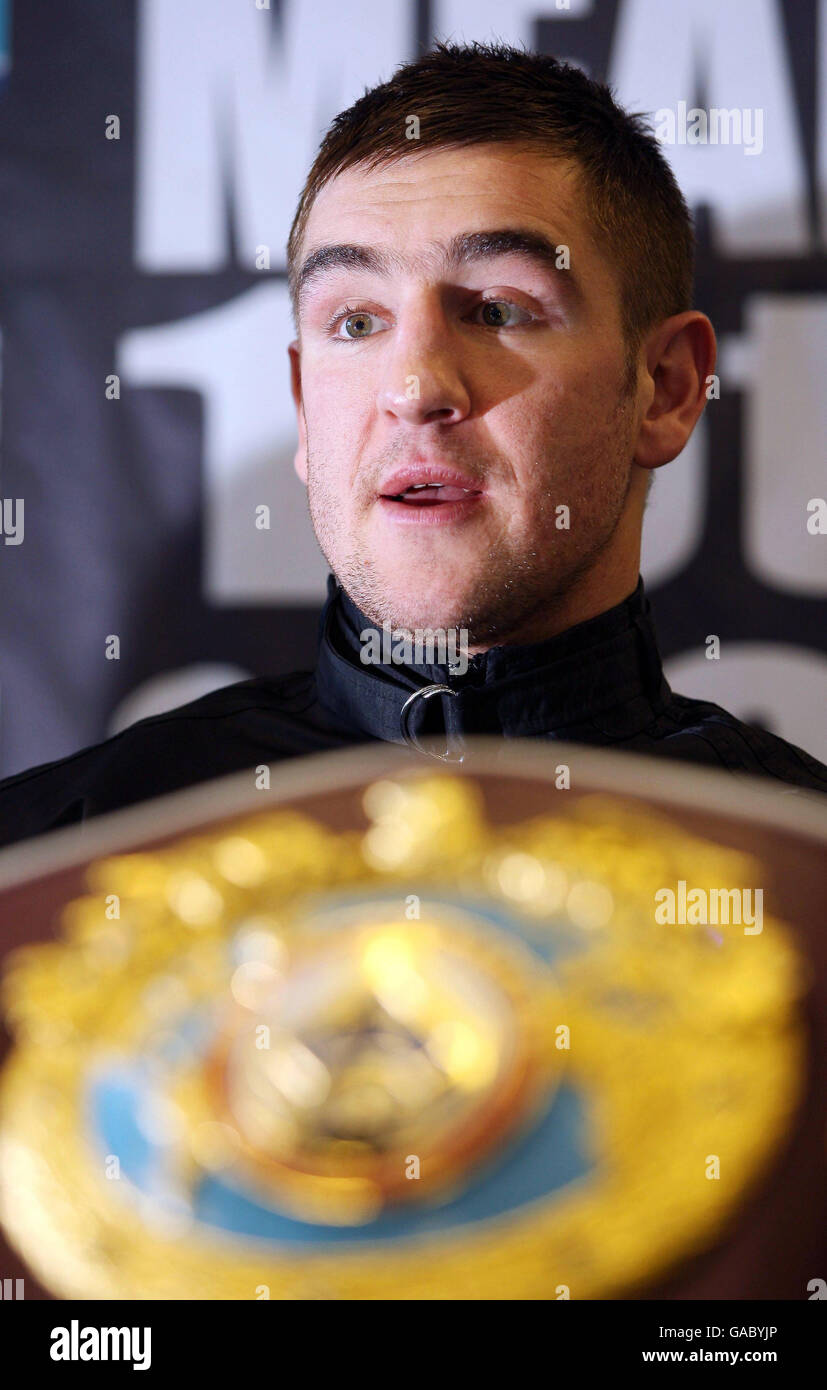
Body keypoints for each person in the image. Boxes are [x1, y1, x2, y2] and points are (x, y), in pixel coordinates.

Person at [1, 41, 825, 851]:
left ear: (667, 388)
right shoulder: (51, 868)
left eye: (498, 311)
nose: (414, 388)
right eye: (356, 322)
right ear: (300, 401)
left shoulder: (797, 875)